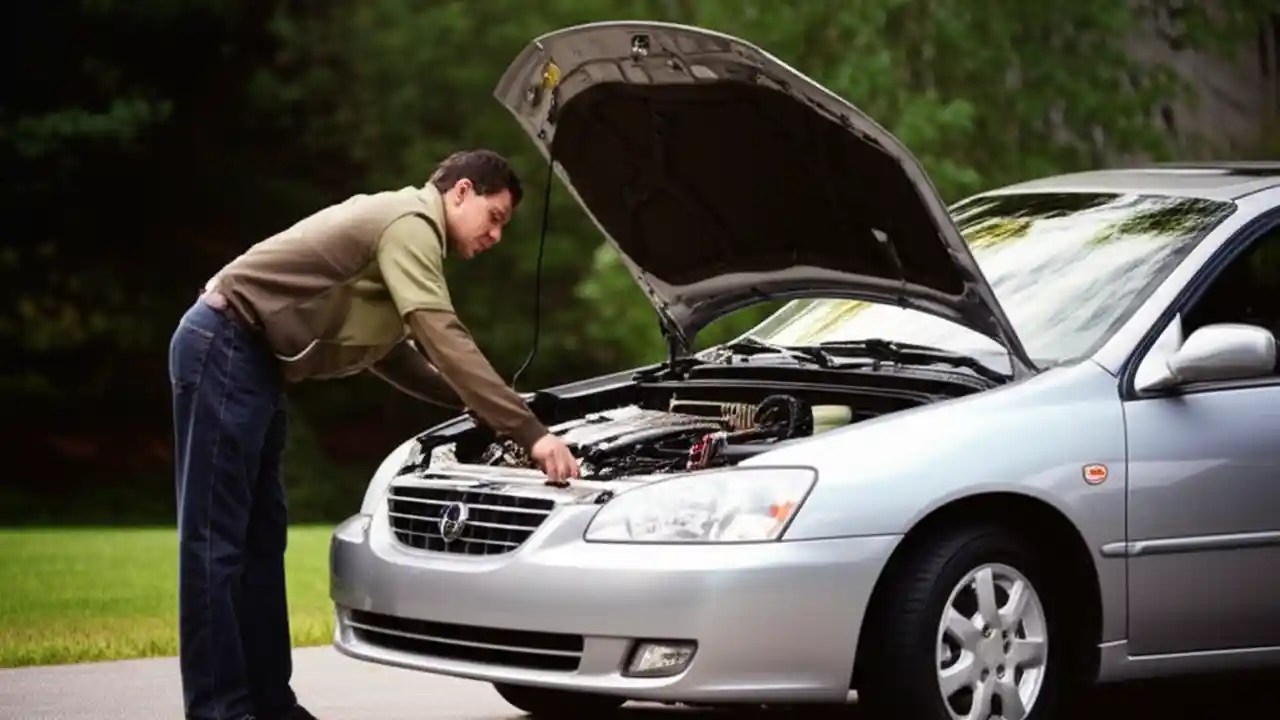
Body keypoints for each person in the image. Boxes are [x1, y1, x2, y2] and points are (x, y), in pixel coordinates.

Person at [167, 149, 579, 720]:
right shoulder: (410, 223)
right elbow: (439, 332)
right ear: (461, 192)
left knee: (261, 545)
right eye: (495, 216)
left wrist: (490, 409)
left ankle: (268, 704)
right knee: (217, 544)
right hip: (225, 343)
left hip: (253, 363)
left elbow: (395, 356)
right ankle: (219, 711)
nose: (496, 235)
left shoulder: (406, 233)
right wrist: (529, 432)